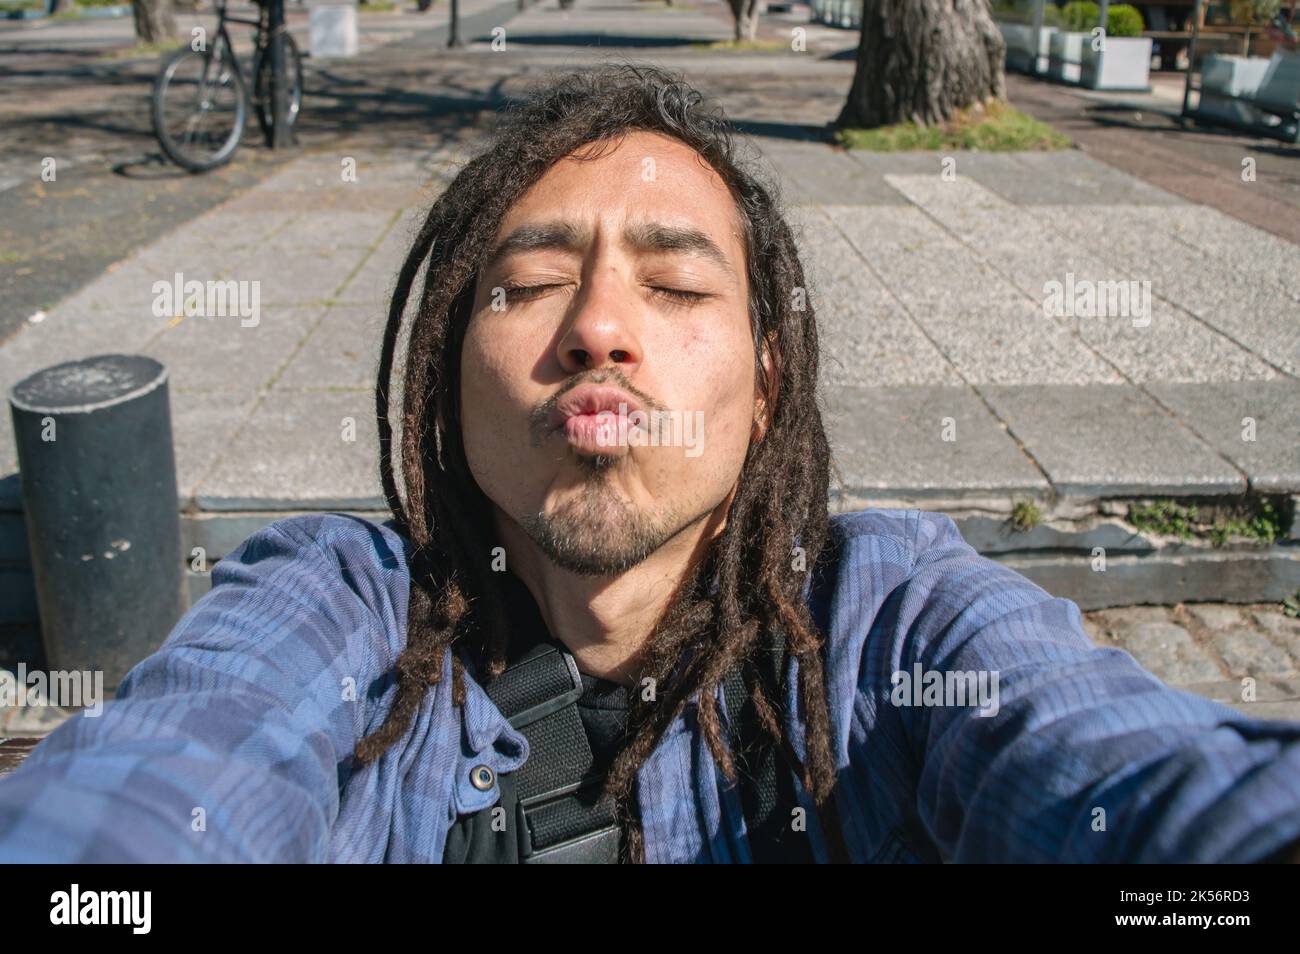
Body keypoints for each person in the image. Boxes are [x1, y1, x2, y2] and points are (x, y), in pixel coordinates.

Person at [1, 64, 1298, 864]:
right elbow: (178, 771)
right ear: (450, 384)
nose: (599, 326)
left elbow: (1119, 765)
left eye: (674, 282)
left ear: (766, 380)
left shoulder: (884, 621)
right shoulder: (347, 606)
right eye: (530, 283)